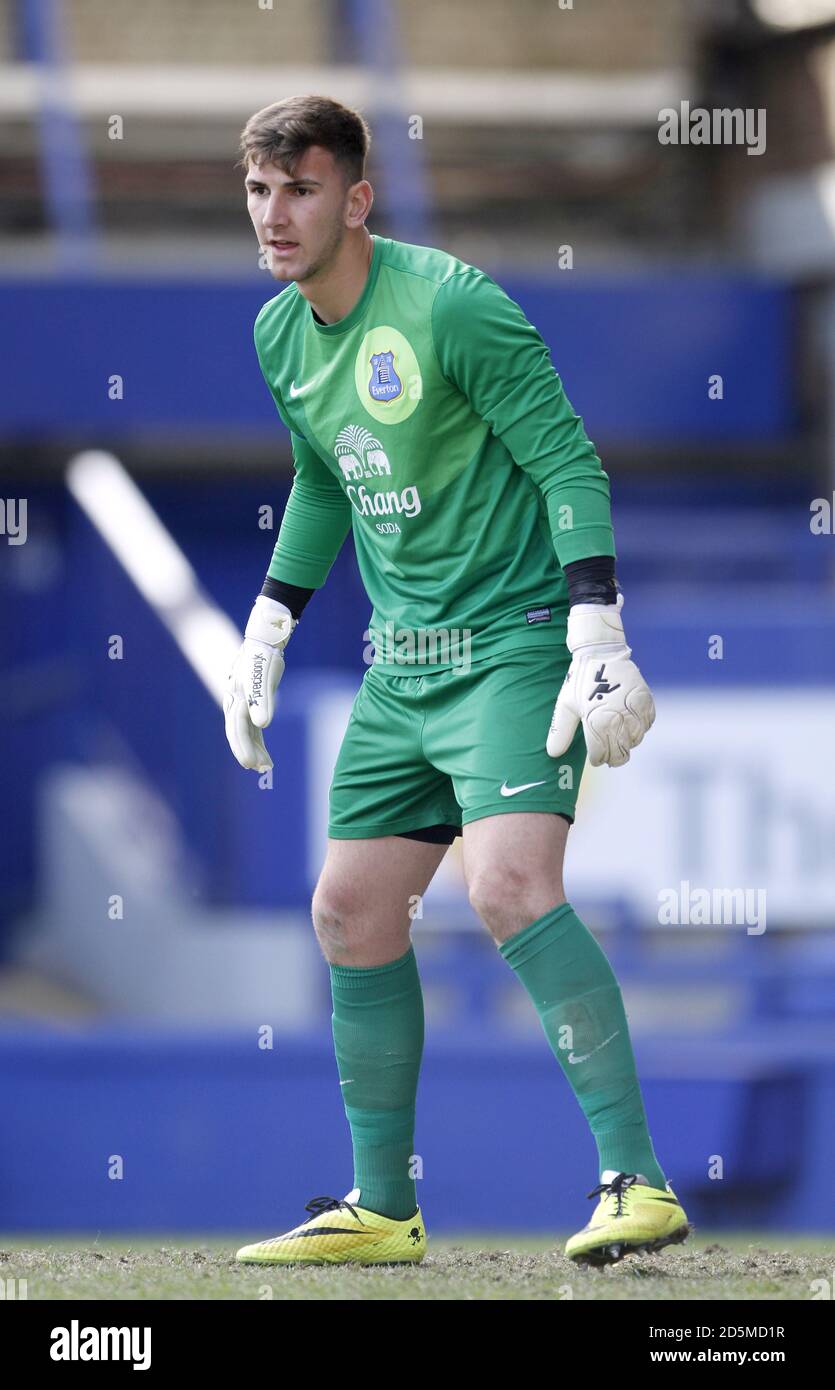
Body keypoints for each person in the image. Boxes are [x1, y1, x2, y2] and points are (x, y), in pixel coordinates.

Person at [224, 93, 689, 1269]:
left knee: (508, 887)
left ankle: (635, 1181)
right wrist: (271, 624)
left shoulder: (454, 307)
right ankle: (384, 1210)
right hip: (403, 662)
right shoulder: (281, 333)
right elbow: (326, 482)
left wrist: (597, 625)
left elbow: (564, 456)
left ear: (357, 198)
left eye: (302, 189)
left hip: (516, 640)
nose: (276, 216)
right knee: (347, 911)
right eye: (260, 191)